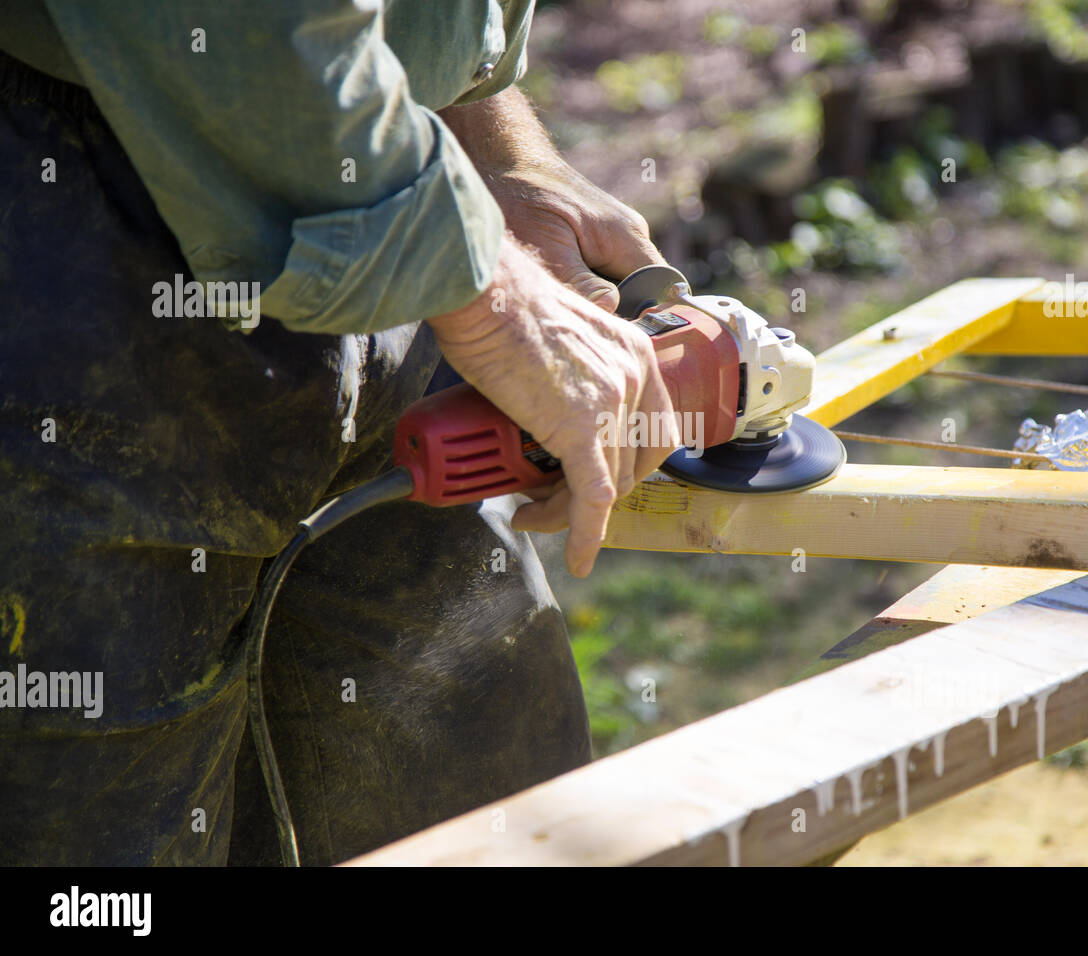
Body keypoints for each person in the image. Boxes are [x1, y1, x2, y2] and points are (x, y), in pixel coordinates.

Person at [0, 0, 678, 865]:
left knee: (499, 823)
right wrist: (487, 286)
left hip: (387, 212)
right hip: (71, 247)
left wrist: (485, 134)